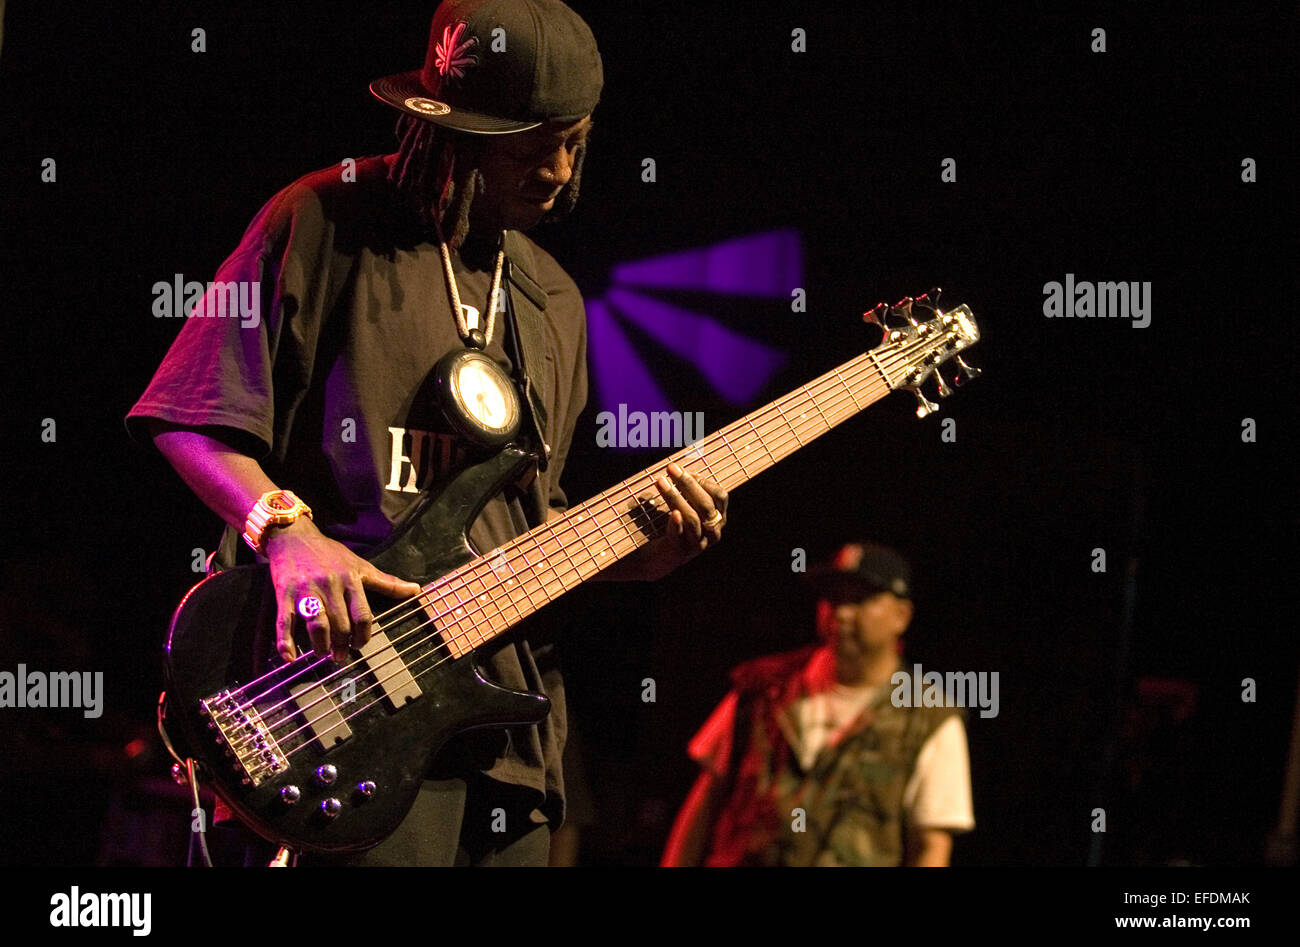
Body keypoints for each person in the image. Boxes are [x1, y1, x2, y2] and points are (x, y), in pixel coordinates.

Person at [126, 0, 727, 866]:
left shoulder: (552, 296)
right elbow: (191, 420)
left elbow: (530, 532)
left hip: (500, 738)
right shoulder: (325, 222)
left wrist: (643, 554)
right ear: (453, 133)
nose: (558, 171)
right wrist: (287, 531)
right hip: (328, 706)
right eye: (530, 146)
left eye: (576, 140)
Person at [662, 542, 973, 866]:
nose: (841, 612)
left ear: (901, 615)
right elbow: (706, 800)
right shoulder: (762, 687)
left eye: (860, 598)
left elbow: (931, 846)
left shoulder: (929, 716)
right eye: (833, 597)